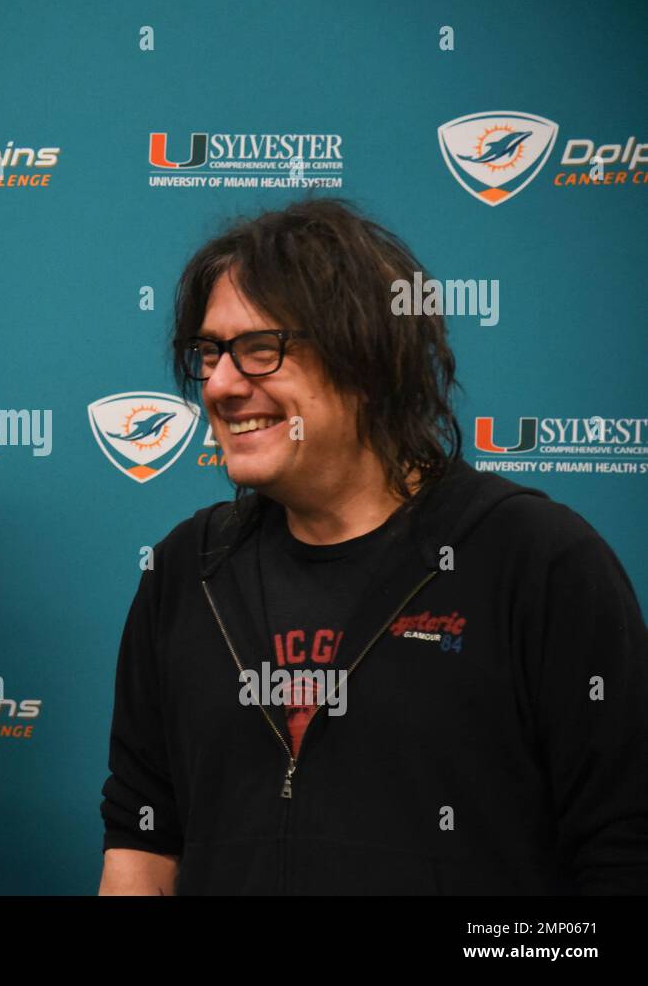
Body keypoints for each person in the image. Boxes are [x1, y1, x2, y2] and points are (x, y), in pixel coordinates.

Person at [98, 198, 648, 895]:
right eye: (208, 352)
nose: (220, 384)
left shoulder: (537, 562)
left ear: (363, 353)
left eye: (259, 349)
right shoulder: (185, 570)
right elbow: (141, 845)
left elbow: (622, 852)